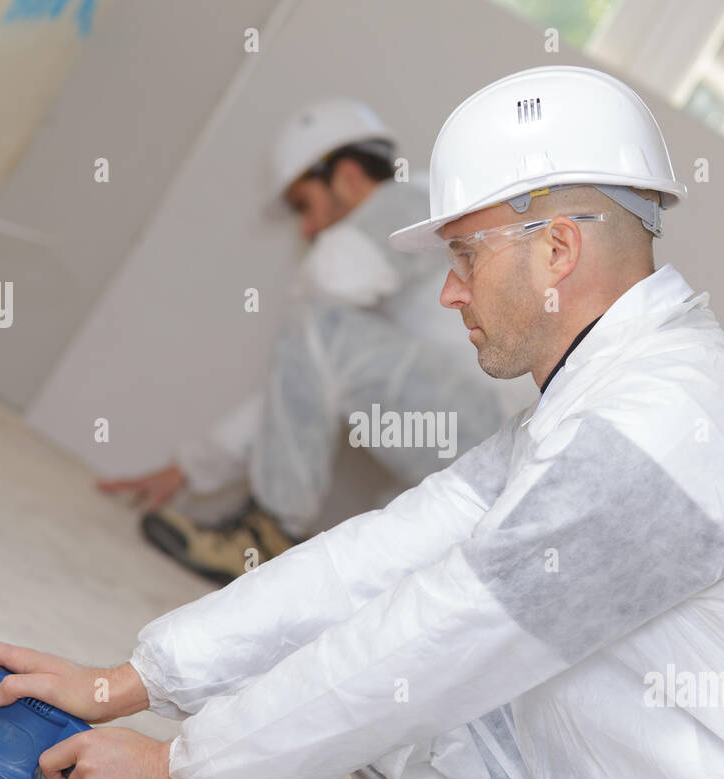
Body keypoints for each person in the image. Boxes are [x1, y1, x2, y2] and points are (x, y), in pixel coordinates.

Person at [0, 66, 724, 779]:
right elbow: (386, 556)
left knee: (407, 673)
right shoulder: (598, 399)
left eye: (463, 254)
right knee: (392, 702)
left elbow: (450, 626)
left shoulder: (666, 426)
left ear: (556, 250)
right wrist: (129, 682)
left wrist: (179, 770)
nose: (449, 290)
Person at [98, 96, 535, 584]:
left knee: (315, 324)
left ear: (347, 176)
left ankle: (270, 533)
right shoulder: (427, 218)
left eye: (304, 206)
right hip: (495, 451)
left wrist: (197, 465)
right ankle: (273, 541)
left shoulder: (410, 204)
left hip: (493, 433)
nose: (307, 230)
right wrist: (192, 468)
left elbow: (317, 318)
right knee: (382, 565)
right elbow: (302, 385)